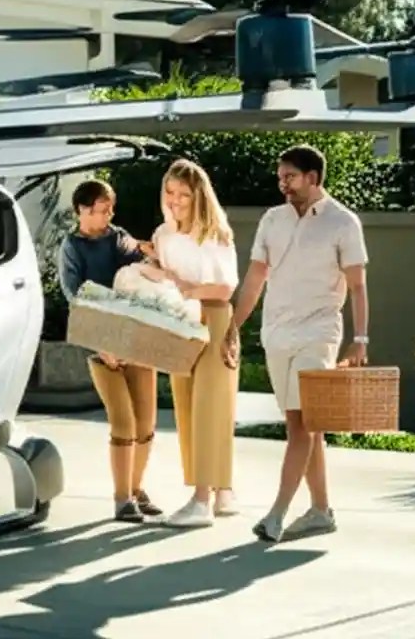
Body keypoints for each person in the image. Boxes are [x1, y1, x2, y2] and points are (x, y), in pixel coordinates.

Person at [222, 144, 370, 543]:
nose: (282, 183)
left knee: (304, 423)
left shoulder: (343, 222)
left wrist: (360, 339)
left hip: (319, 332)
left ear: (313, 178)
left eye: (289, 176)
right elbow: (255, 278)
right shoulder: (273, 220)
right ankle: (321, 510)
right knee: (303, 425)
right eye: (280, 177)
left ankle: (276, 514)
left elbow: (357, 285)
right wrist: (234, 325)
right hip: (277, 333)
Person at [138, 158, 240, 528]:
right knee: (187, 407)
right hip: (180, 320)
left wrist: (185, 287)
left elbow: (226, 287)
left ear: (199, 196)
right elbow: (168, 278)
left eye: (184, 193)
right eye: (170, 191)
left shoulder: (214, 233)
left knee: (211, 408)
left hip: (213, 318)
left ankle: (202, 502)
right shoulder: (163, 235)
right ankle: (220, 491)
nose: (176, 199)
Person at [58, 178, 161, 523]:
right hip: (100, 340)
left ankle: (136, 489)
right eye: (99, 210)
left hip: (135, 336)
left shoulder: (116, 236)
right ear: (81, 211)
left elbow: (136, 251)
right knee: (123, 422)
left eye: (108, 209)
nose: (106, 216)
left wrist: (154, 250)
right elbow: (75, 295)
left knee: (146, 422)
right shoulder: (72, 247)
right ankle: (121, 498)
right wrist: (102, 344)